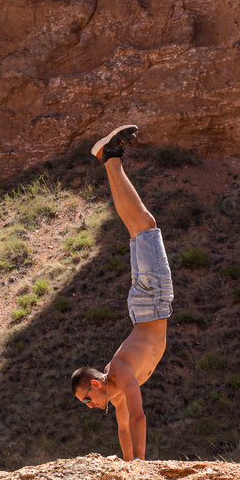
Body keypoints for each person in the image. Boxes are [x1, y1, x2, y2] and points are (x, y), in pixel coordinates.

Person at [70, 124, 174, 461]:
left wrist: (141, 466)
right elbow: (125, 428)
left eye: (86, 399)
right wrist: (129, 465)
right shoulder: (114, 395)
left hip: (152, 303)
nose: (88, 407)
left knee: (145, 225)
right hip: (147, 306)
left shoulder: (121, 372)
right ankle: (109, 158)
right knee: (139, 228)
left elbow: (140, 416)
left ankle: (110, 159)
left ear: (96, 385)